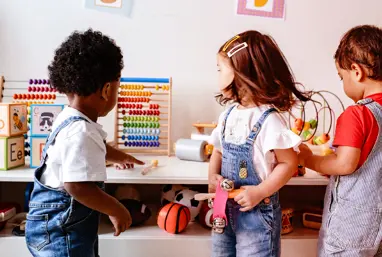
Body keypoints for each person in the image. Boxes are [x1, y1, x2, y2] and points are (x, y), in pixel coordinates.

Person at [25, 29, 144, 257]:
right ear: (107, 89)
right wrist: (116, 209)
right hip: (62, 233)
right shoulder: (80, 131)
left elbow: (90, 150)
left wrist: (120, 156)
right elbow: (77, 187)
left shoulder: (70, 118)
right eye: (117, 88)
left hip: (60, 226)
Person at [208, 30, 311, 257]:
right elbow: (218, 150)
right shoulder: (228, 114)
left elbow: (289, 162)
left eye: (220, 68)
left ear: (241, 72)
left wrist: (260, 191)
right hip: (223, 208)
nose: (217, 74)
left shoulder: (268, 119)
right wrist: (212, 175)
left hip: (256, 213)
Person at [298, 25, 382, 256]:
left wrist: (307, 158)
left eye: (341, 76)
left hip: (355, 226)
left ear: (356, 71)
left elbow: (344, 164)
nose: (342, 83)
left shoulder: (357, 114)